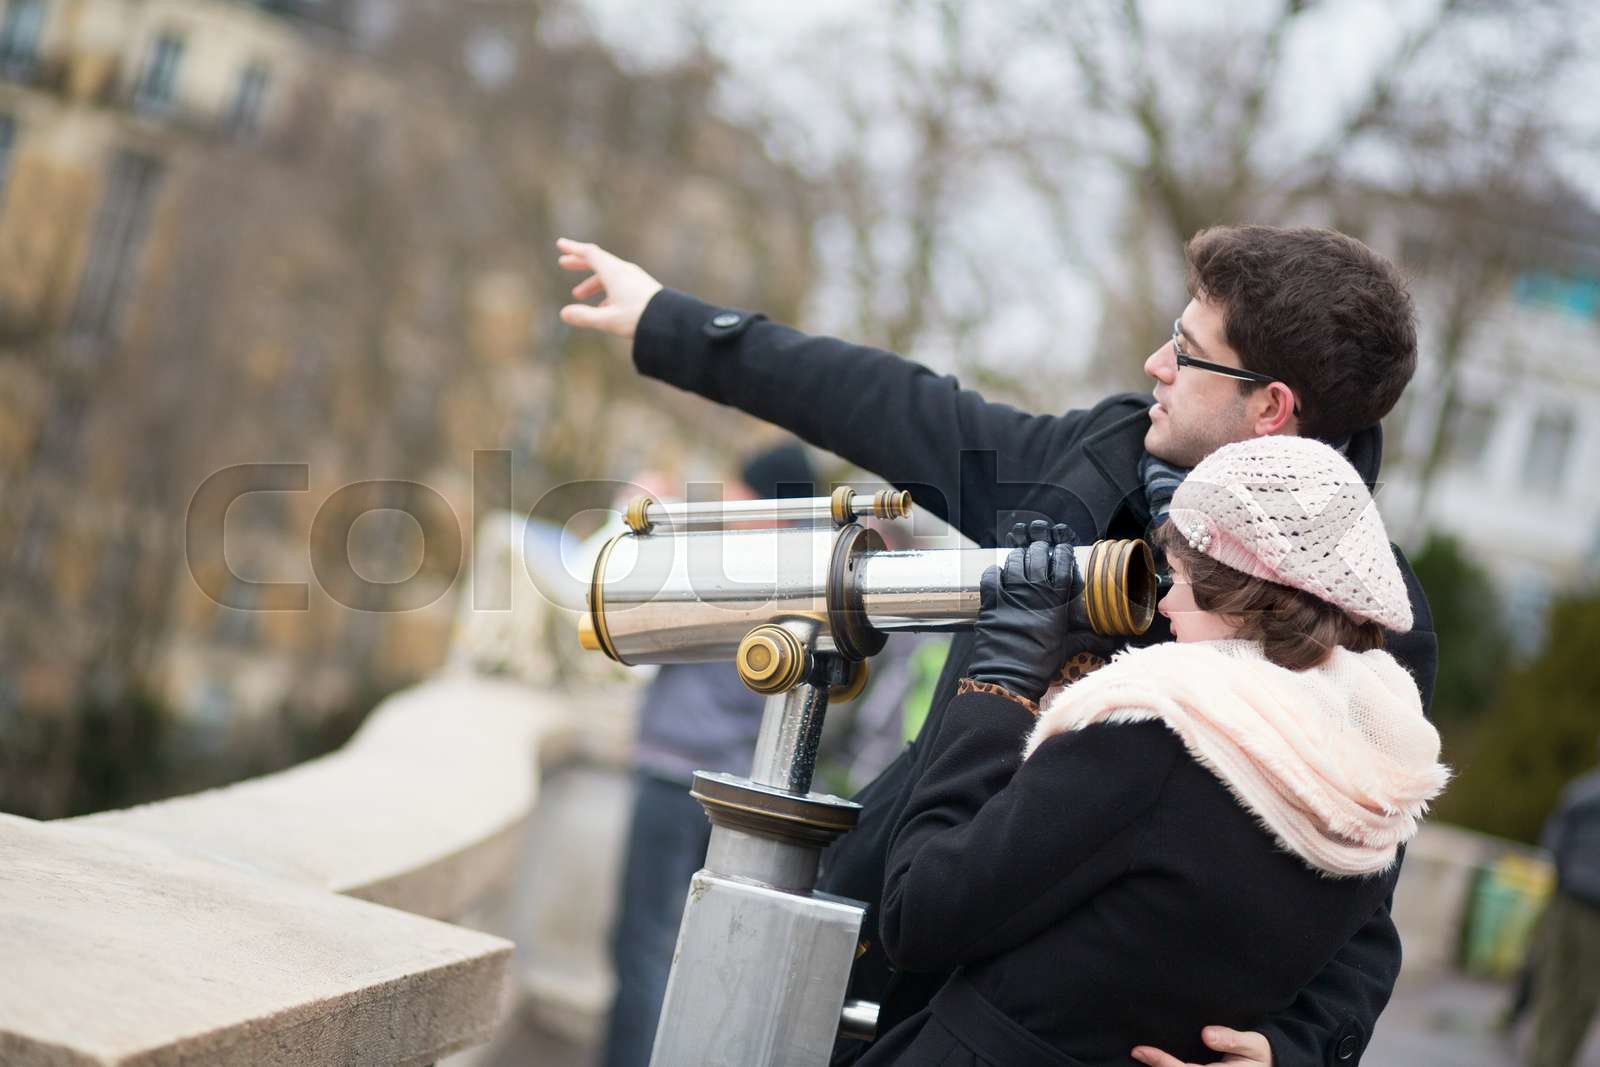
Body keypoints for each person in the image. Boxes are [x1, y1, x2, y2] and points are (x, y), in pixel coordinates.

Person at [557, 224, 1438, 1066]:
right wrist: (669, 323)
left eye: (1188, 347)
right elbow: (890, 404)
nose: (1156, 364)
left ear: (1271, 407)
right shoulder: (1095, 458)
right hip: (884, 957)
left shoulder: (1367, 613)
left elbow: (1358, 889)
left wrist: (1297, 1051)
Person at [854, 436, 1448, 1065]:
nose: (1164, 603)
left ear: (1234, 587)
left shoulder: (1159, 740)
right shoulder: (1377, 778)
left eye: (1183, 578)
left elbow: (918, 913)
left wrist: (999, 684)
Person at [602, 443, 818, 1067]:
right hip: (734, 785)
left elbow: (637, 621)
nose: (724, 500)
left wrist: (646, 525)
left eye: (736, 489)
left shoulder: (745, 563)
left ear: (765, 500)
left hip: (678, 775)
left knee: (644, 951)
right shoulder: (810, 573)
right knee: (687, 959)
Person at [1530, 739, 1600, 1067]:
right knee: (1580, 992)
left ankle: (1545, 1057)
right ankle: (1555, 1057)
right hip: (1578, 902)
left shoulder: (1582, 790)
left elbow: (1555, 840)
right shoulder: (1585, 792)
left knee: (1557, 985)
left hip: (1569, 898)